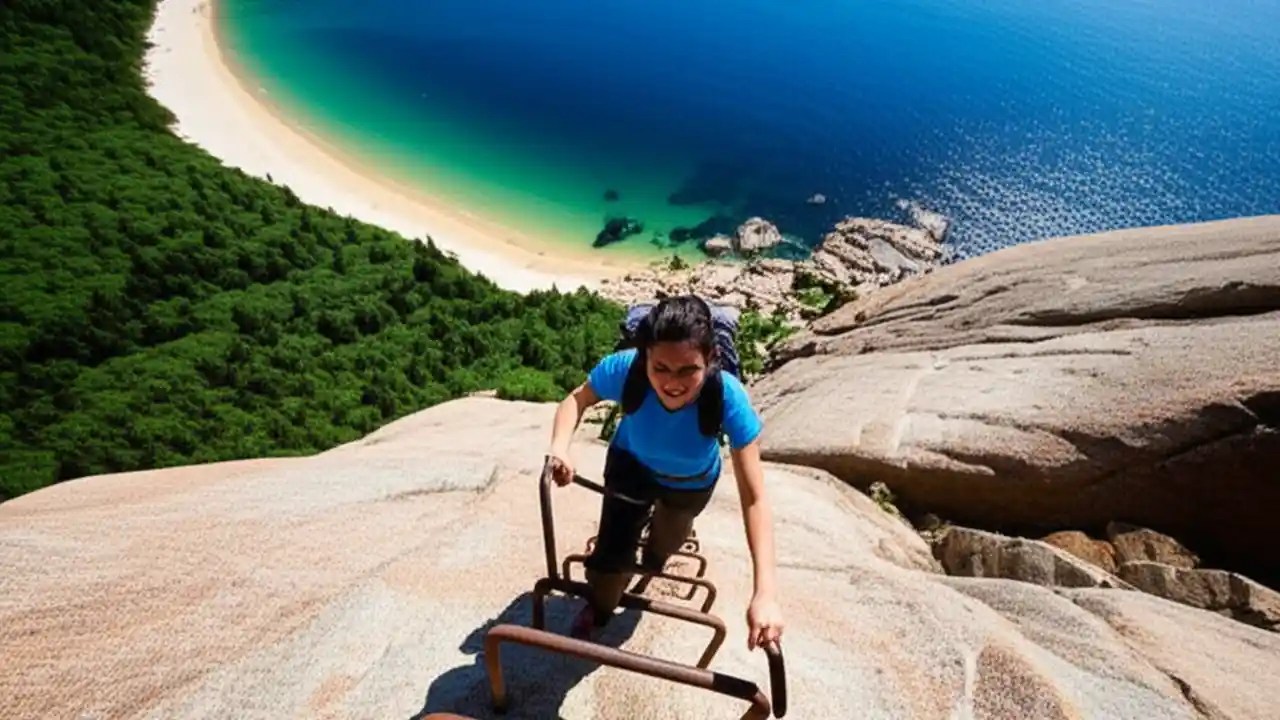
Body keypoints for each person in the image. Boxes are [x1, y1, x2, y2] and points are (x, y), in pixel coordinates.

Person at [545, 294, 784, 653]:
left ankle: (654, 557)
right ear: (645, 359)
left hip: (689, 485)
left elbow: (755, 498)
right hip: (631, 467)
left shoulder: (727, 396)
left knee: (662, 549)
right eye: (661, 369)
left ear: (711, 360)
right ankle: (601, 608)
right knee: (610, 559)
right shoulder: (627, 369)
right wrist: (560, 446)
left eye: (688, 370)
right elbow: (578, 399)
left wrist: (765, 593)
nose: (673, 383)